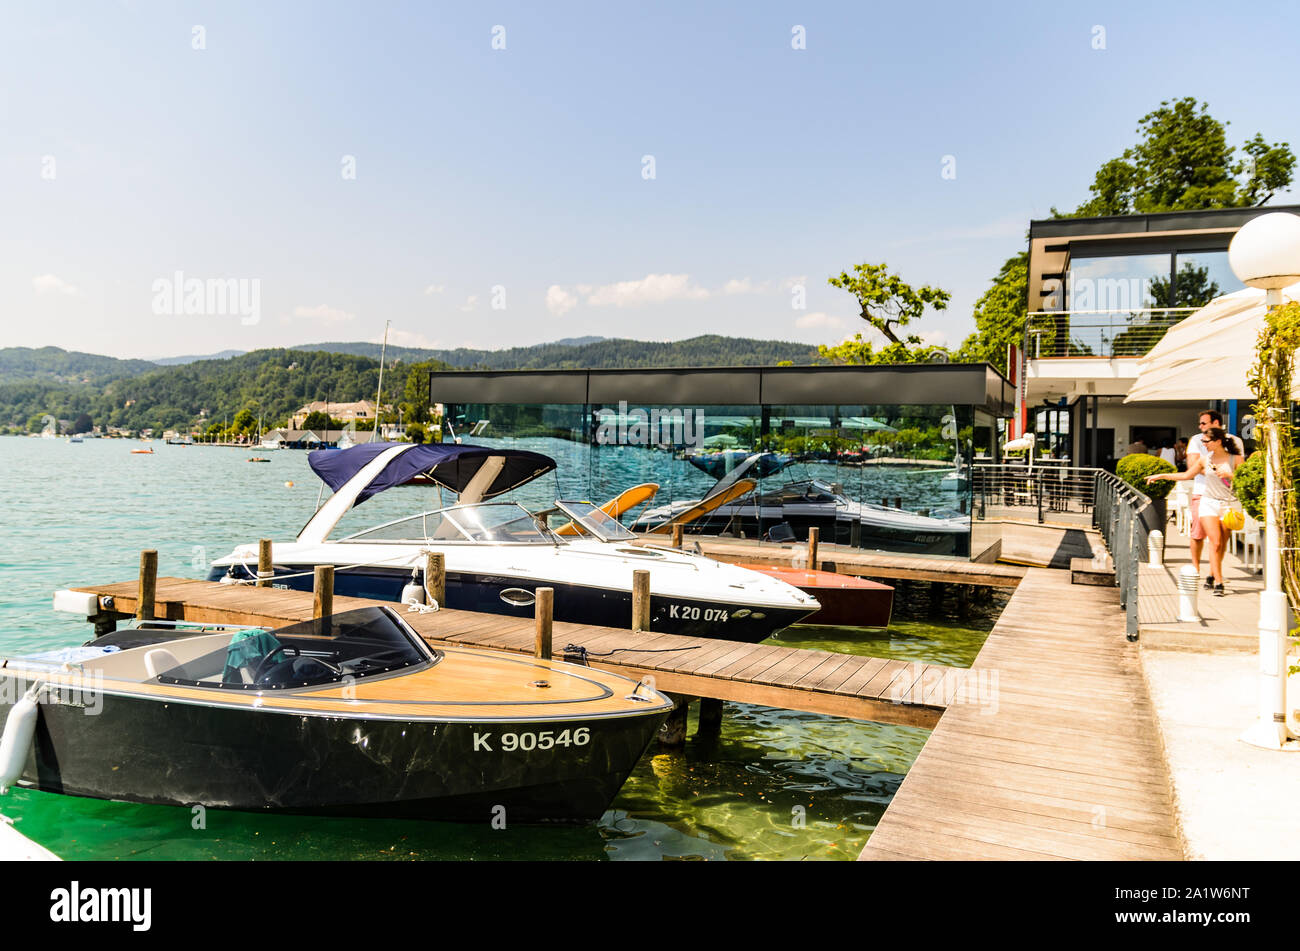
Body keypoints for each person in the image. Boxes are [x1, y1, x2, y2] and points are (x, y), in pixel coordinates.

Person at [1149, 426, 1243, 596]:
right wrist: (1161, 475)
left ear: (1218, 442)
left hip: (1229, 504)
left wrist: (1230, 476)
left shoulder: (1236, 459)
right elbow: (1186, 475)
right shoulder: (1204, 460)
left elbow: (1245, 481)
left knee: (1222, 544)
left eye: (1206, 441)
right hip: (1209, 502)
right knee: (1214, 542)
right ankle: (1219, 582)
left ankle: (1212, 575)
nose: (1204, 444)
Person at [1184, 410, 1243, 586]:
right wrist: (1214, 470)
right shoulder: (1196, 440)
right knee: (1198, 534)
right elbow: (1192, 465)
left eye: (1203, 423)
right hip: (1202, 492)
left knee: (1220, 540)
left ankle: (1213, 573)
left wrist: (1225, 473)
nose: (1200, 427)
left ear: (1216, 423)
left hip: (1226, 498)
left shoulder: (1235, 441)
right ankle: (1195, 570)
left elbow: (1238, 468)